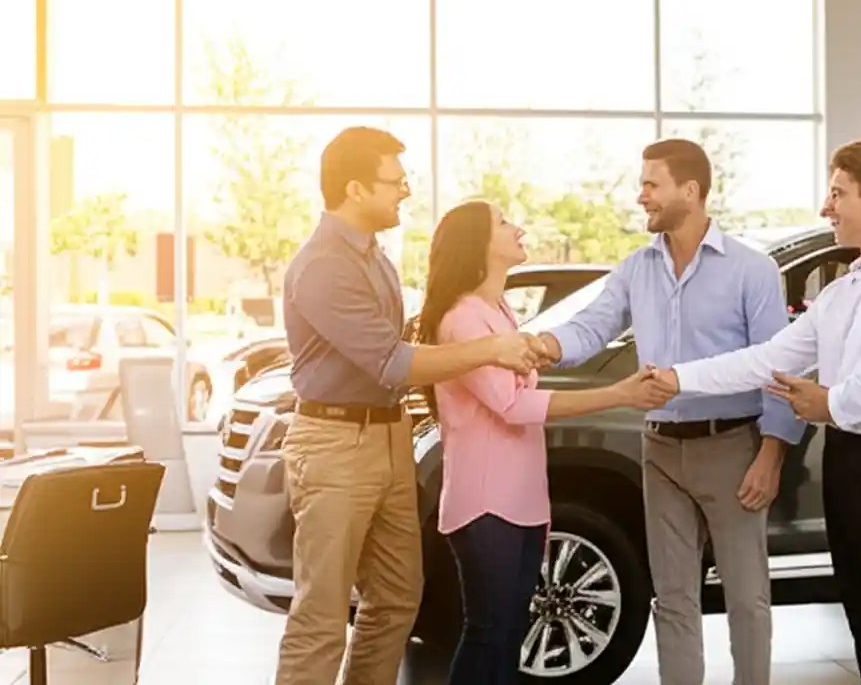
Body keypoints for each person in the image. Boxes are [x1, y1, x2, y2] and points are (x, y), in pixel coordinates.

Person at [648, 140, 861, 685]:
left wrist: (823, 402)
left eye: (838, 193)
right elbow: (767, 359)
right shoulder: (845, 291)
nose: (826, 207)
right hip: (849, 461)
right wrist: (678, 378)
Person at [274, 127, 546, 685]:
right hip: (334, 446)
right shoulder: (324, 265)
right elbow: (392, 362)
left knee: (397, 598)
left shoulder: (376, 258)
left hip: (389, 437)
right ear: (354, 189)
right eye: (394, 181)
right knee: (322, 617)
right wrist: (491, 349)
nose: (405, 190)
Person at [536, 139, 805, 684]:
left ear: (691, 190)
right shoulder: (637, 268)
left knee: (747, 597)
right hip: (660, 449)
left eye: (651, 184)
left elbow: (781, 368)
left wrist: (772, 455)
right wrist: (540, 345)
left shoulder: (751, 270)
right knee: (673, 596)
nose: (641, 196)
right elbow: (591, 327)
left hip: (732, 449)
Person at [417, 200, 675, 684]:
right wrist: (618, 394)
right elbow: (513, 405)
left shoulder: (498, 311)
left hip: (522, 500)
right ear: (477, 244)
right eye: (503, 223)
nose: (517, 228)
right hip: (486, 503)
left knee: (511, 630)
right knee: (490, 630)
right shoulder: (462, 319)